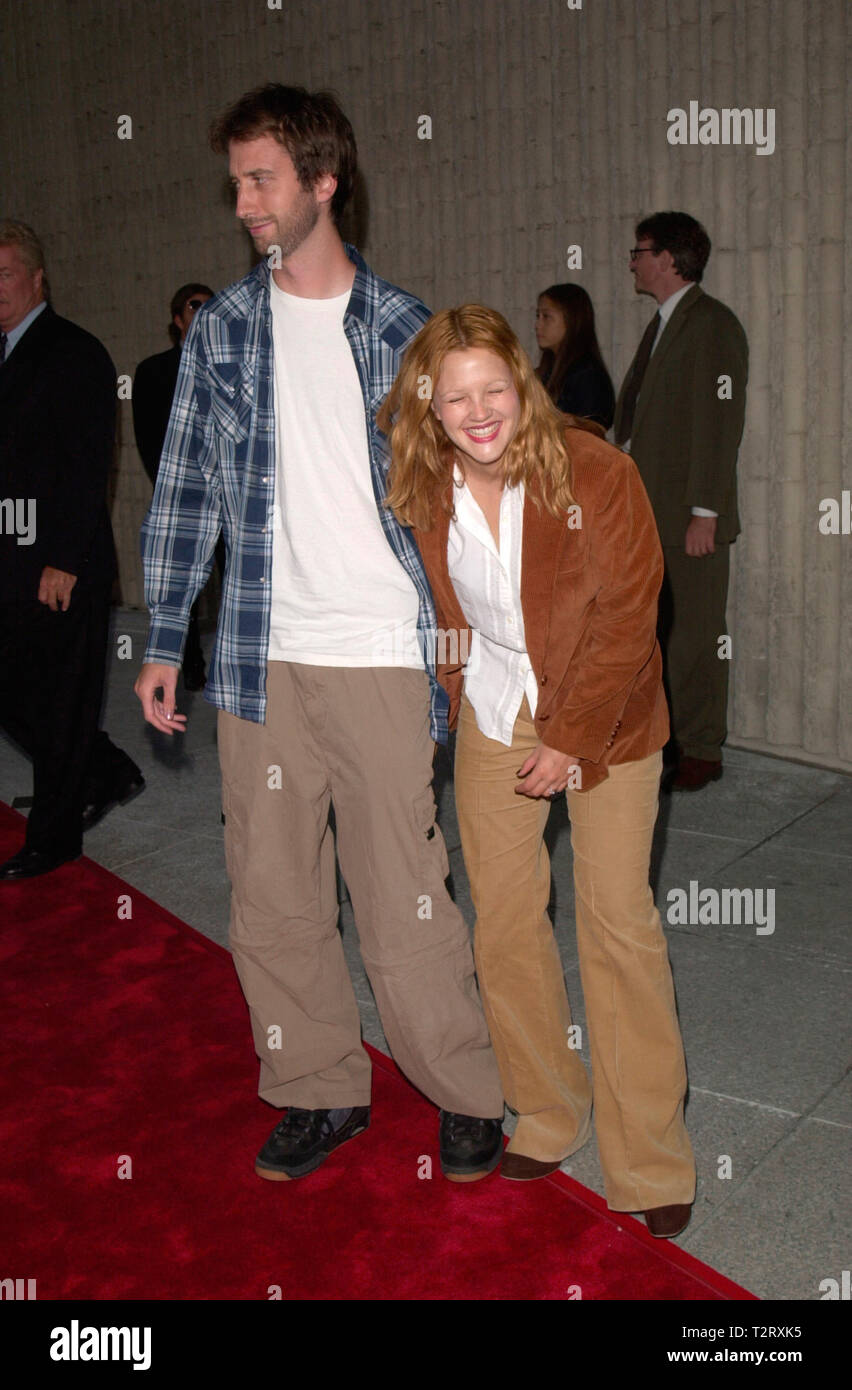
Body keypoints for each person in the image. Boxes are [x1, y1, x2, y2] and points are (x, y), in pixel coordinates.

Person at [135, 85, 505, 1184]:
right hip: (262, 653)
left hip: (385, 651)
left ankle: (464, 1089)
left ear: (322, 182)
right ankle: (319, 1088)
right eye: (238, 180)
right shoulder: (224, 332)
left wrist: (480, 639)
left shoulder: (406, 328)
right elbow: (190, 491)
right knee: (275, 891)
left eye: (262, 180)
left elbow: (463, 493)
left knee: (406, 892)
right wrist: (166, 633)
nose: (244, 201)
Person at [382, 303, 696, 1237]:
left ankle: (649, 1158)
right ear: (428, 409)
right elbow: (441, 607)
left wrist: (568, 737)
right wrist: (448, 689)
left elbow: (629, 615)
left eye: (494, 391)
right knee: (507, 920)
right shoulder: (423, 487)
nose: (479, 413)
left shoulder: (597, 472)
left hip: (608, 718)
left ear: (523, 385)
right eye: (455, 399)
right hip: (493, 711)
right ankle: (550, 1108)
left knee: (618, 923)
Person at [0, 220, 144, 882]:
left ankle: (54, 838)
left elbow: (88, 467)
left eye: (5, 275)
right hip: (8, 559)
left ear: (37, 278)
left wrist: (65, 558)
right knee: (21, 698)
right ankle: (109, 769)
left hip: (59, 565)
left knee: (59, 703)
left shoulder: (74, 352)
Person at [614, 212, 748, 791]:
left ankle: (701, 750)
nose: (633, 261)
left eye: (640, 251)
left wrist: (706, 513)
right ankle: (667, 743)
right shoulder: (666, 323)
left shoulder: (712, 324)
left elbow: (719, 424)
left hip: (689, 516)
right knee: (663, 633)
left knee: (696, 634)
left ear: (668, 259)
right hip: (653, 511)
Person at [133, 282, 216, 690]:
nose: (204, 311)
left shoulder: (231, 367)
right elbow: (148, 439)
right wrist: (173, 492)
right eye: (194, 305)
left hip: (232, 503)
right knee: (181, 589)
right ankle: (189, 666)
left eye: (211, 305)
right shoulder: (153, 371)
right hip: (183, 498)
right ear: (177, 318)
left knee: (238, 585)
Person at [535, 282, 615, 429]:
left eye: (546, 316)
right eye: (538, 316)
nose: (538, 324)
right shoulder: (544, 372)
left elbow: (592, 432)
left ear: (571, 319)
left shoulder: (588, 375)